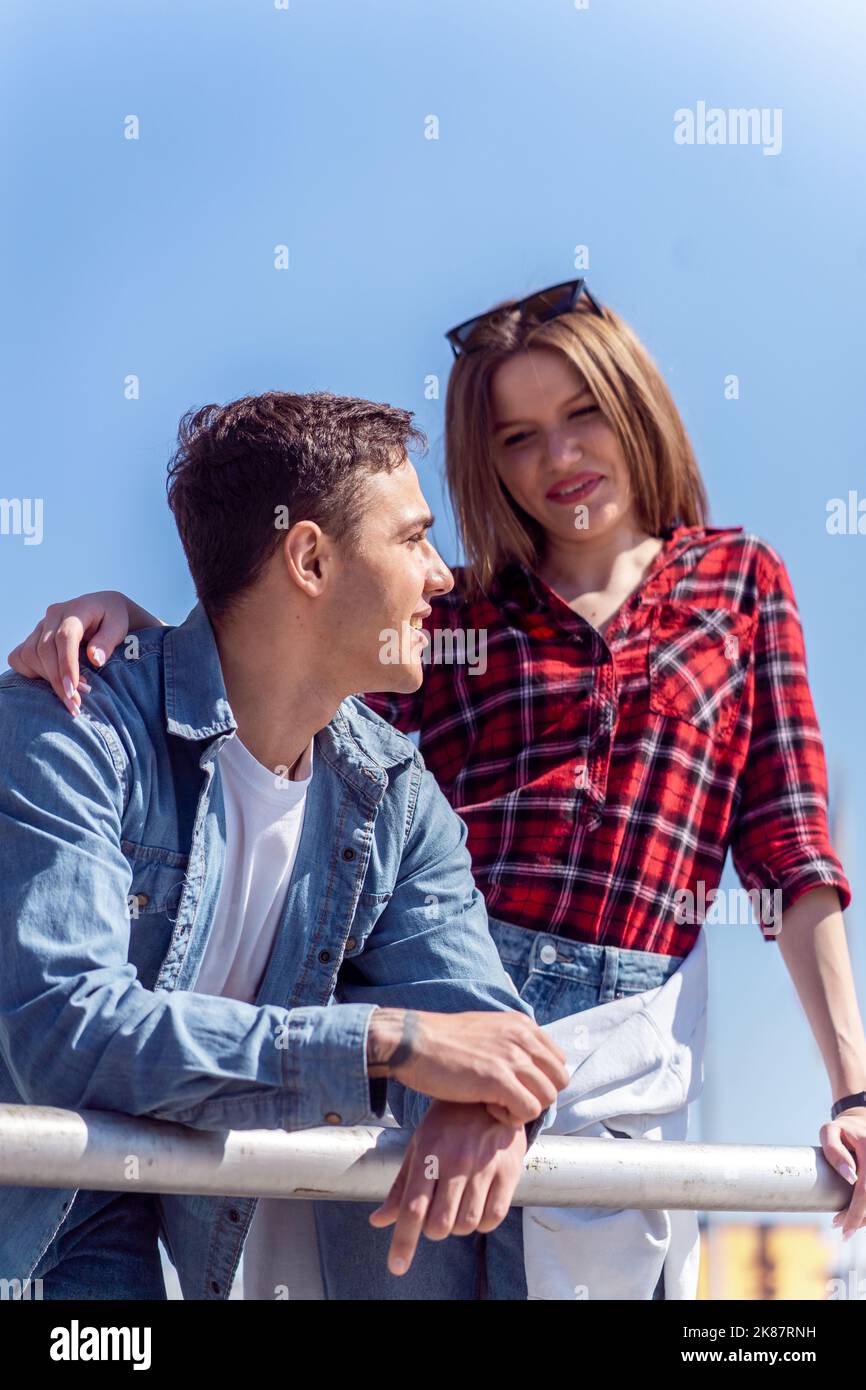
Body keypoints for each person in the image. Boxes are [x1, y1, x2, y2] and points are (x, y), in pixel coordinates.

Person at [13, 282, 866, 1299]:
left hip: (588, 1039)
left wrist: (852, 1085)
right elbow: (277, 669)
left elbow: (789, 843)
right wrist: (137, 642)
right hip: (407, 1023)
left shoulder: (736, 583)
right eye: (515, 435)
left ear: (634, 403)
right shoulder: (453, 618)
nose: (557, 458)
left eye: (581, 412)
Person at [0, 389, 570, 1301]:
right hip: (38, 1211)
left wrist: (489, 1099)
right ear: (308, 557)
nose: (442, 575)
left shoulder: (389, 792)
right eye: (414, 537)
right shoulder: (70, 723)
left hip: (174, 1222)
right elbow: (66, 1032)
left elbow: (481, 1022)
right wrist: (389, 1042)